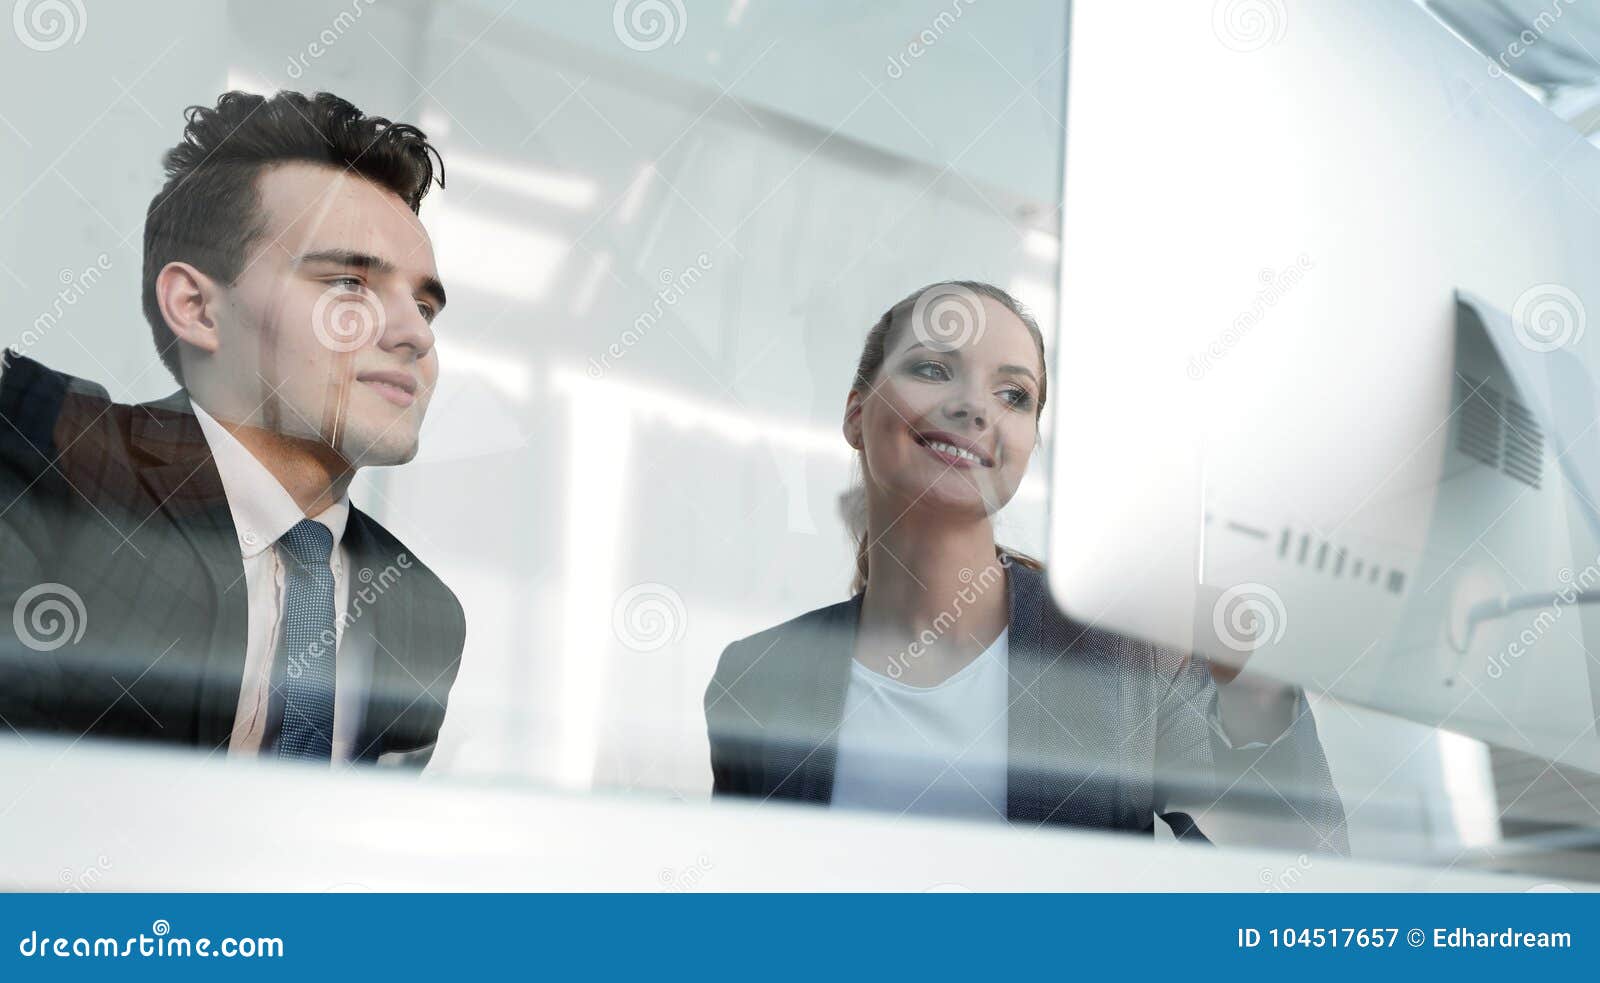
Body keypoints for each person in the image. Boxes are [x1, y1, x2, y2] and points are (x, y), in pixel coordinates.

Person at [704, 281, 1347, 852]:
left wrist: (1251, 678)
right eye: (932, 368)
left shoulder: (1126, 654)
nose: (974, 407)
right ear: (855, 414)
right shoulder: (756, 677)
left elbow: (1300, 885)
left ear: (1028, 447)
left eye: (1014, 395)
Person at [0, 90, 462, 768]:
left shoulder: (425, 614)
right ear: (196, 307)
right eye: (348, 284)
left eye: (423, 305)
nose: (415, 335)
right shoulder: (47, 458)